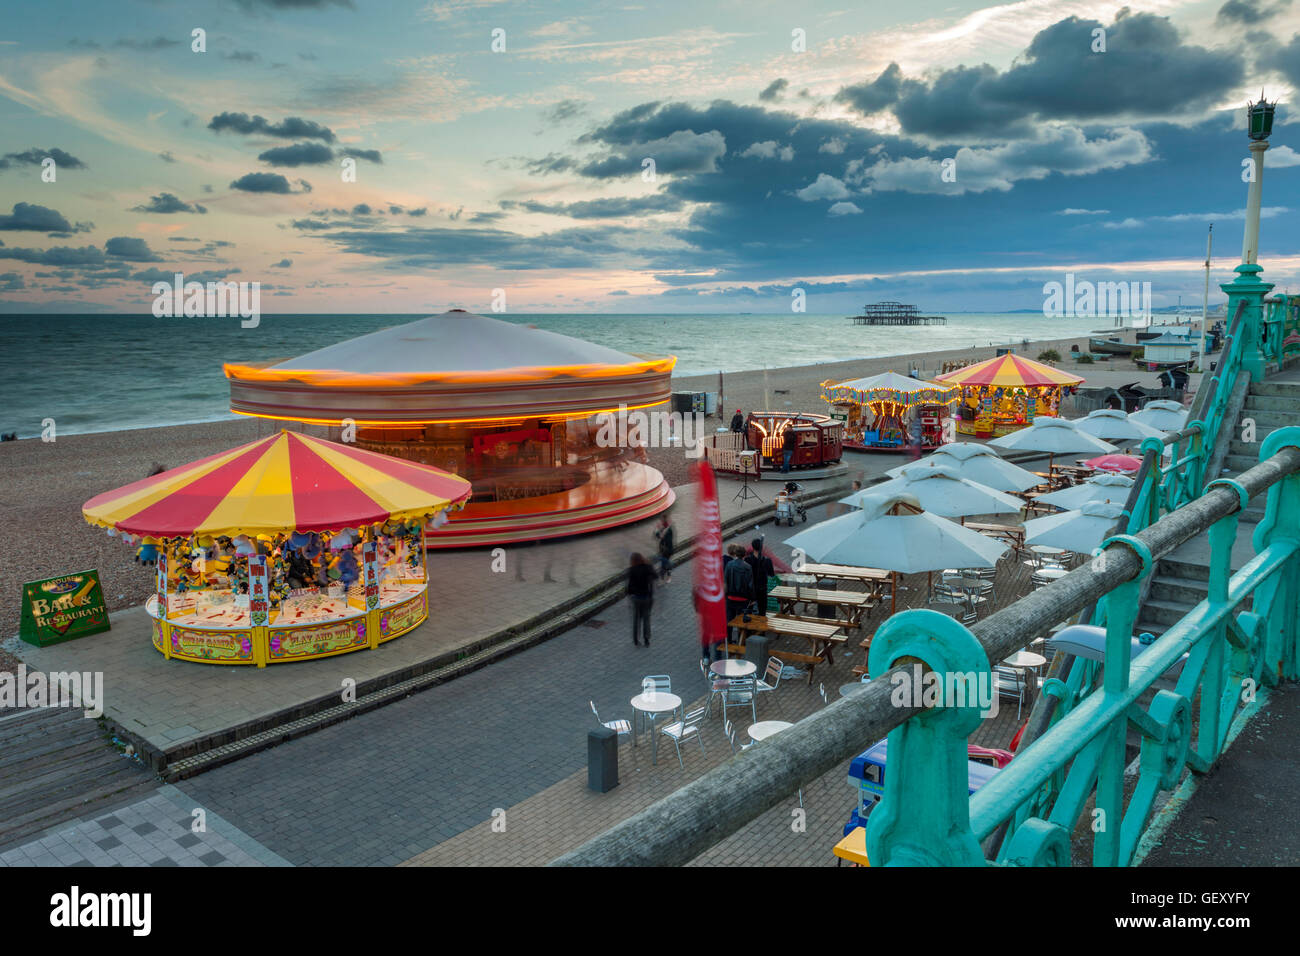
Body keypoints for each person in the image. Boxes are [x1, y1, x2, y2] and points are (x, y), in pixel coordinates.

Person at [724, 544, 754, 641]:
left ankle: (729, 640)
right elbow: (750, 584)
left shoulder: (729, 565)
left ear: (736, 554)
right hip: (743, 599)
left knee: (729, 620)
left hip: (731, 598)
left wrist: (725, 595)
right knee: (743, 620)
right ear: (744, 554)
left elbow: (725, 581)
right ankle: (742, 640)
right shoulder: (748, 567)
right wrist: (752, 598)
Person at [626, 552, 656, 647]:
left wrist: (630, 594)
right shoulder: (648, 568)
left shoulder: (632, 570)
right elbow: (655, 576)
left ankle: (636, 640)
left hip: (636, 598)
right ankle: (646, 640)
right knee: (646, 619)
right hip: (646, 597)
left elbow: (629, 587)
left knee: (636, 620)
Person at [745, 538, 775, 616]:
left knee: (749, 610)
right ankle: (761, 625)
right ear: (762, 547)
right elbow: (771, 574)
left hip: (750, 589)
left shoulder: (747, 560)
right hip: (762, 588)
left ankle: (748, 627)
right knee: (762, 609)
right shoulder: (767, 560)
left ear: (752, 547)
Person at [653, 514, 674, 583]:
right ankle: (664, 577)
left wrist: (660, 530)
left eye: (661, 521)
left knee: (664, 564)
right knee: (664, 564)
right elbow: (656, 535)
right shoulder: (664, 528)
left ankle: (666, 577)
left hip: (668, 550)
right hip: (663, 550)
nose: (660, 522)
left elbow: (662, 537)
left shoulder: (669, 530)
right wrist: (656, 529)